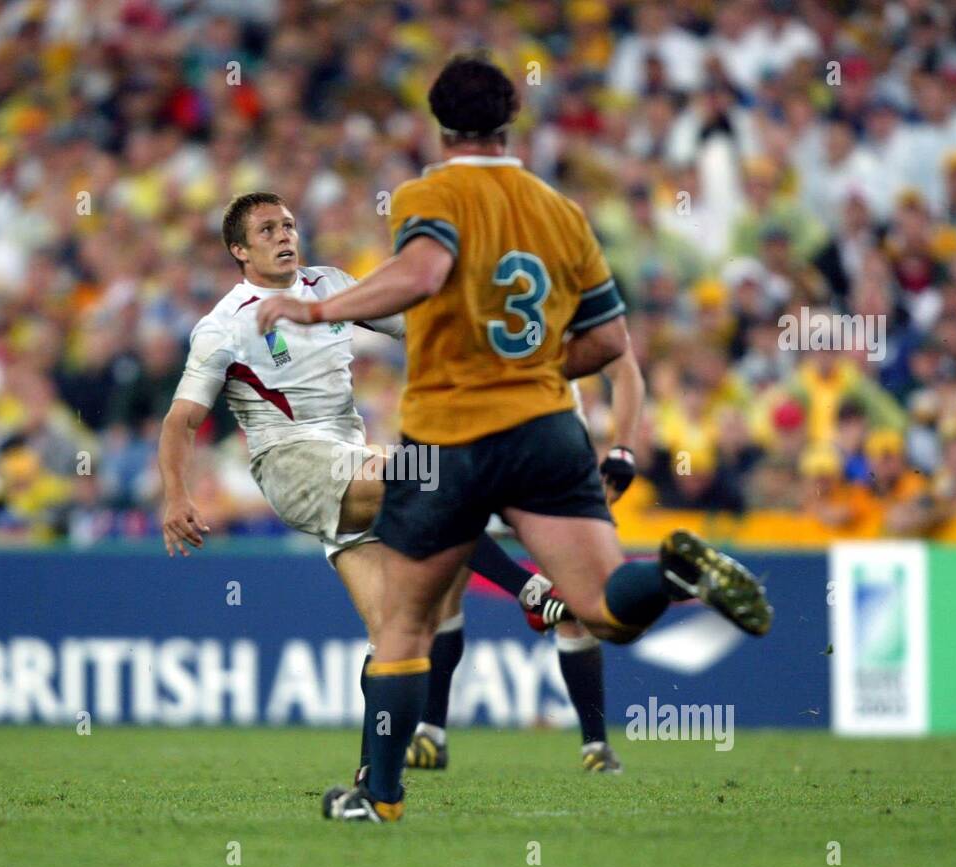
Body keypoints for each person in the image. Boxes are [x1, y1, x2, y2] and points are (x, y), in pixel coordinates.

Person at [256, 54, 772, 824]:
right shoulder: (560, 210)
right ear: (509, 124)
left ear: (438, 125)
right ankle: (672, 577)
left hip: (450, 436)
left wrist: (318, 311)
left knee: (404, 623)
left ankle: (380, 798)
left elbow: (426, 271)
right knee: (598, 607)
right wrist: (528, 362)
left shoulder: (430, 193)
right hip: (546, 429)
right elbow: (609, 344)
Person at [159, 191, 620, 786]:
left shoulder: (328, 285)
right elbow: (182, 422)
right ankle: (532, 592)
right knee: (431, 474)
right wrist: (177, 496)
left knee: (399, 636)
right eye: (268, 229)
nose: (284, 236)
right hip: (294, 462)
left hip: (349, 465)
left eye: (289, 224)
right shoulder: (224, 324)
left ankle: (370, 776)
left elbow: (414, 325)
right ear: (239, 250)